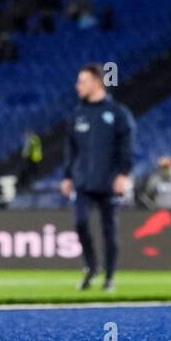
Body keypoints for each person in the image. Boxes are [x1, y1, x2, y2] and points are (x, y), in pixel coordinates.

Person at [60, 63, 134, 293]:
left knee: (109, 229)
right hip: (83, 182)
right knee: (80, 222)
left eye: (82, 81)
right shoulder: (78, 114)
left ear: (97, 82)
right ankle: (92, 267)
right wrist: (67, 175)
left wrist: (123, 174)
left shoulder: (118, 113)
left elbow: (126, 146)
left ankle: (109, 277)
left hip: (109, 181)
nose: (77, 86)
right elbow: (70, 148)